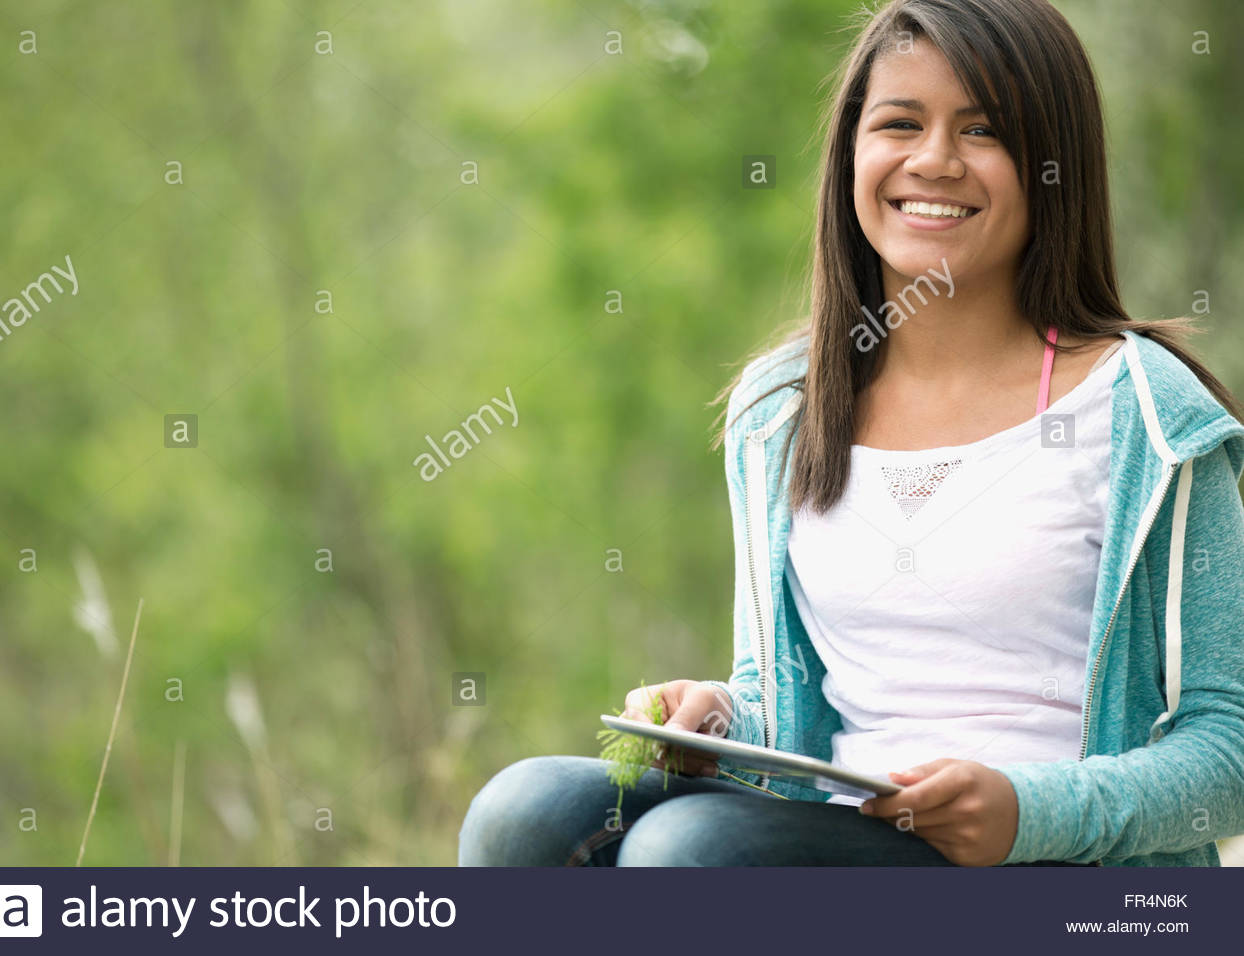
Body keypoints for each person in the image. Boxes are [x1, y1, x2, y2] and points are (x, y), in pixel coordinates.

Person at [457, 0, 1244, 867]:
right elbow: (786, 696)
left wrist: (1030, 810)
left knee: (693, 850)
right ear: (851, 157)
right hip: (844, 835)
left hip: (1063, 871)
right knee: (523, 811)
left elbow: (1228, 745)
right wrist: (718, 714)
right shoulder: (785, 408)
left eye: (983, 131)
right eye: (900, 123)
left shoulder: (1144, 413)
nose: (934, 160)